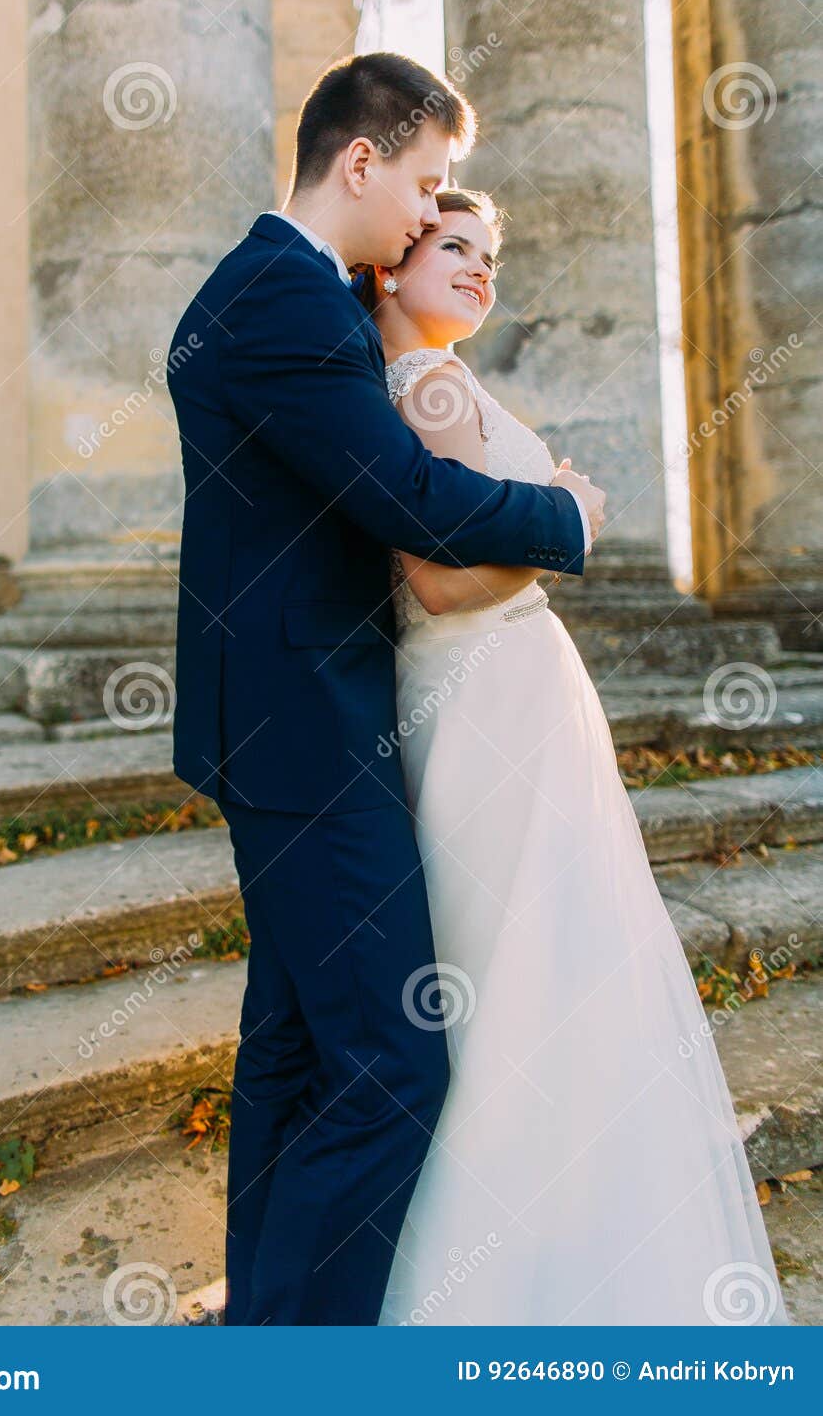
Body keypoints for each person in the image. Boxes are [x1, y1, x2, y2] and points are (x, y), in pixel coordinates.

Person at [166, 52, 604, 1325]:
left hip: (300, 717)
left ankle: (262, 1335)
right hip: (305, 732)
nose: (428, 216)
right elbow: (409, 503)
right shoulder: (280, 302)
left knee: (296, 1053)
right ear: (358, 162)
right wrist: (569, 515)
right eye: (421, 184)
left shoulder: (290, 293)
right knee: (391, 1071)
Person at [359, 188, 790, 1327]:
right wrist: (570, 519)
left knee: (535, 964)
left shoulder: (440, 381)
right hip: (481, 694)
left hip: (510, 697)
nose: (479, 269)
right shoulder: (423, 387)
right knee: (520, 973)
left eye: (489, 255)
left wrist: (547, 515)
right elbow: (441, 580)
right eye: (453, 247)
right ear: (390, 268)